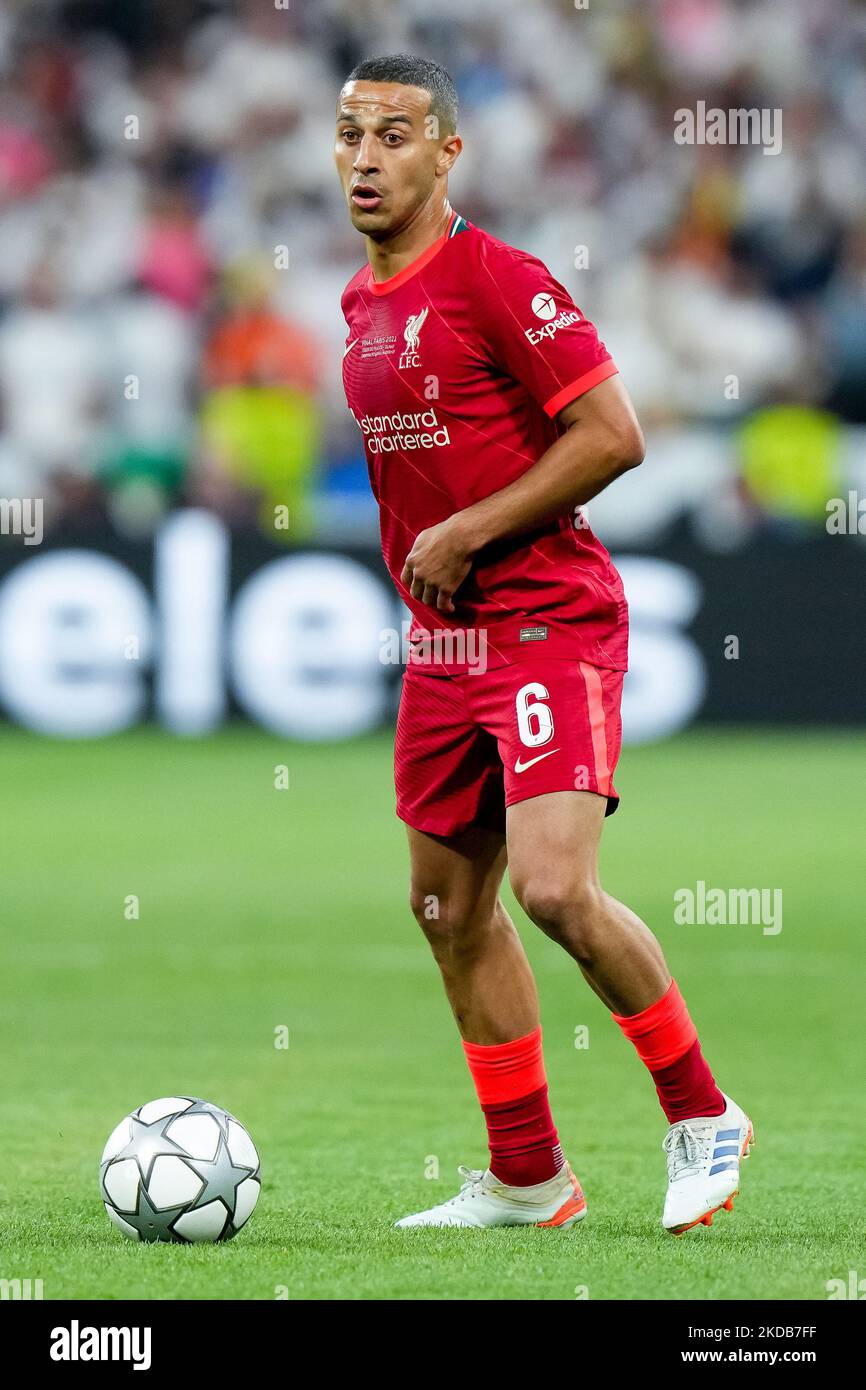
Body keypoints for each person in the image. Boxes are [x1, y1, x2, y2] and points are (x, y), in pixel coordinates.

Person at [335, 53, 753, 1233]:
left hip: (543, 619)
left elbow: (612, 434)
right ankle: (528, 1176)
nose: (365, 158)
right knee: (445, 912)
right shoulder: (360, 302)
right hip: (443, 645)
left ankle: (701, 1112)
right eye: (350, 134)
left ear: (446, 153)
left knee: (556, 886)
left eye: (394, 136)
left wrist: (468, 530)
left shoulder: (496, 278)